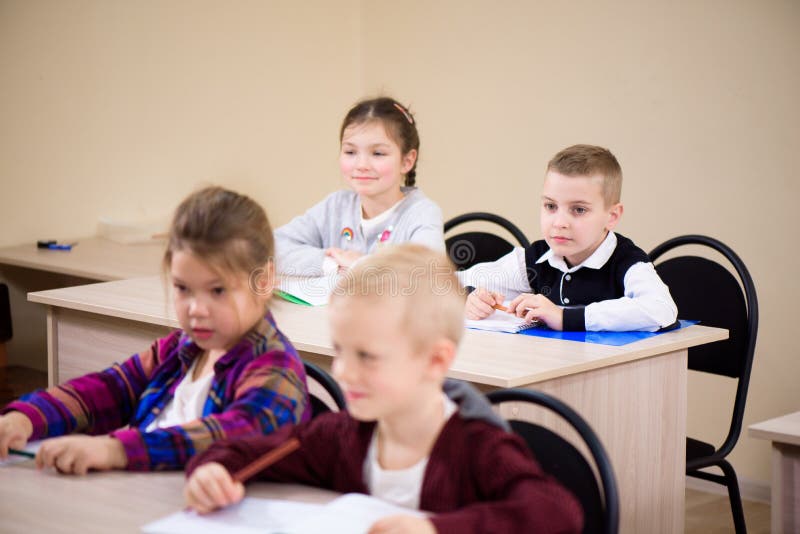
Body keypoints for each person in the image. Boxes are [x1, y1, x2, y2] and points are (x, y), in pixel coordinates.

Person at [184, 244, 583, 533]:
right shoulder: (341, 435)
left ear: (435, 361)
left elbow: (557, 513)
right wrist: (213, 469)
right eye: (340, 352)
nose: (342, 372)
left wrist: (435, 530)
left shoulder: (478, 446)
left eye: (367, 357)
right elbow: (246, 448)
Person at [0, 186, 310, 473]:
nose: (196, 309)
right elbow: (110, 388)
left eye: (217, 291)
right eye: (182, 288)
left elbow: (236, 435)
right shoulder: (180, 349)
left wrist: (115, 450)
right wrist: (26, 417)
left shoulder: (276, 367)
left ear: (265, 280)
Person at [461, 144, 677, 332]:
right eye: (550, 206)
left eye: (579, 210)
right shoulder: (536, 258)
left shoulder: (627, 262)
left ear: (612, 216)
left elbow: (661, 309)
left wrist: (565, 317)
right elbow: (450, 283)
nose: (559, 222)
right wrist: (471, 297)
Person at [274, 96, 444, 275]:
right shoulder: (336, 206)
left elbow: (428, 275)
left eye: (378, 153)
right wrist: (332, 263)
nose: (361, 165)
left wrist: (360, 265)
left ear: (407, 161)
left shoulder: (421, 214)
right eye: (350, 152)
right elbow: (270, 247)